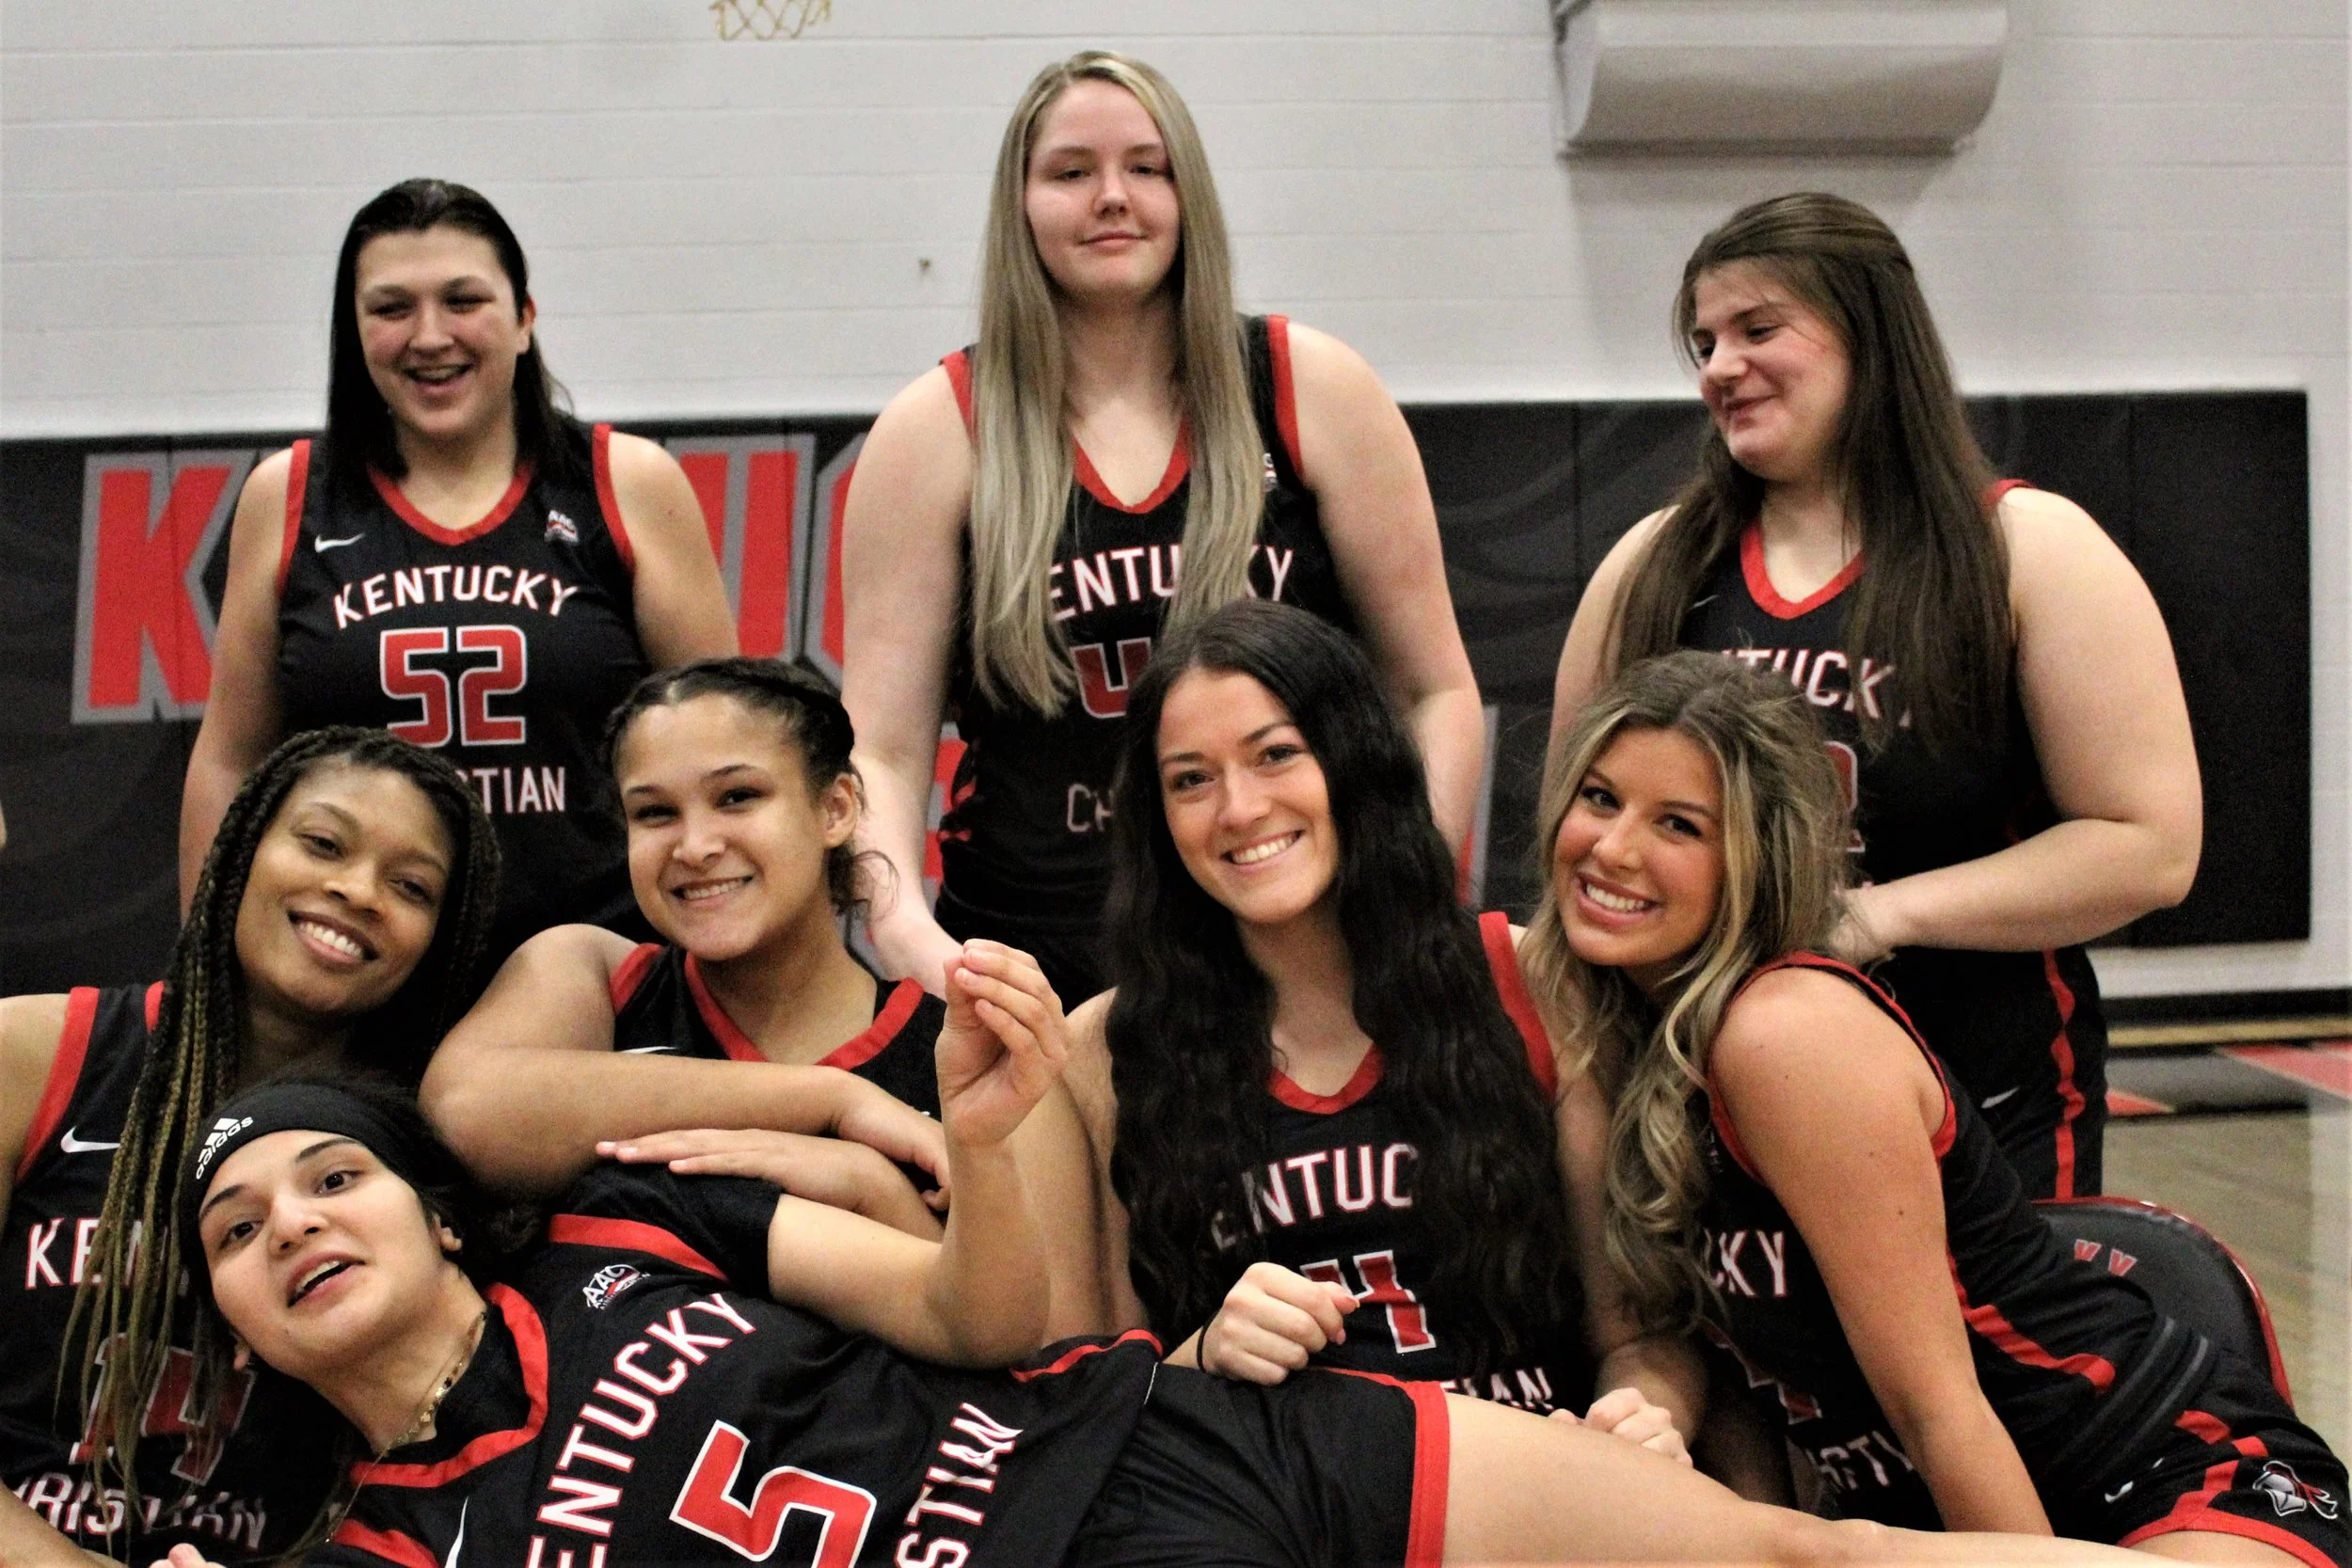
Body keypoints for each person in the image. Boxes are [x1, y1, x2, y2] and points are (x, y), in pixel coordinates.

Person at [165, 1080, 2156, 1567]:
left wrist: (967, 1116)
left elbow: (967, 1301)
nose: (296, 1224)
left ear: (427, 1200)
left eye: (329, 1178)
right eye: (240, 1227)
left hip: (1192, 1425)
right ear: (239, 1335)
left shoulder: (614, 1224)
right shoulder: (381, 1544)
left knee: (1799, 1550)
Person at [1523, 650, 2343, 1565]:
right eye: (1599, 797)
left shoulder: (1784, 1032)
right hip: (1947, 1519)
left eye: (1678, 823)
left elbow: (1938, 1404)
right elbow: (1714, 1367)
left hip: (2165, 1479)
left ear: (1762, 857)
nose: (1613, 846)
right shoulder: (1601, 1030)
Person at [1549, 192, 2201, 1198]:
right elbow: (1569, 841)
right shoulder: (1652, 564)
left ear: (1871, 337)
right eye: (1703, 341)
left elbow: (2148, 844)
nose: (1719, 365)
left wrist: (1874, 915)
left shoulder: (2028, 551)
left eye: (1758, 328)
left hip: (1980, 1092)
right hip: (1697, 1099)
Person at [842, 50, 1485, 1006]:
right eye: (1070, 172)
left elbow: (1434, 690)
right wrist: (903, 928)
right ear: (1018, 206)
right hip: (1033, 952)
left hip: (1296, 939)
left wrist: (1400, 885)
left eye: (1147, 167)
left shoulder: (1311, 387)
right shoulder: (936, 429)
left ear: (1190, 195)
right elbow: (883, 751)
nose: (1111, 197)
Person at [1057, 599, 1696, 1449]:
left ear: (1354, 755)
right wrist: (1198, 1356)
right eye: (1191, 779)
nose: (1240, 808)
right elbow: (1083, 1394)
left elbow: (1639, 1332)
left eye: (1276, 754)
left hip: (1523, 1494)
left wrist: (1648, 1414)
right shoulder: (1103, 1048)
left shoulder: (1527, 974)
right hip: (1277, 1514)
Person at [421, 657, 1117, 1338]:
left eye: (737, 797)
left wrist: (870, 1188)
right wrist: (833, 1101)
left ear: (836, 807)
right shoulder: (596, 975)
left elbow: (1065, 1365)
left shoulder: (982, 1059)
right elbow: (466, 1111)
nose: (694, 845)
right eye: (655, 812)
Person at [181, 177, 737, 963]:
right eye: (391, 308)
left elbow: (724, 742)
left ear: (524, 320)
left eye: (463, 299)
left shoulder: (627, 483)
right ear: (355, 328)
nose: (430, 335)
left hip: (599, 964)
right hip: (358, 968)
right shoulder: (288, 495)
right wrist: (207, 967)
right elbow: (232, 758)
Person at [0, 728, 498, 1566]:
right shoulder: (36, 1051)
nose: (356, 890)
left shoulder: (426, 1144)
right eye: (323, 843)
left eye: (410, 885)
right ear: (241, 848)